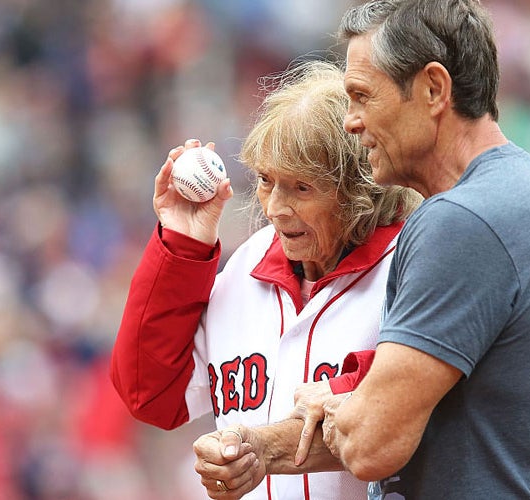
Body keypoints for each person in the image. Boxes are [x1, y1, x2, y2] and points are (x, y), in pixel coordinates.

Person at [201, 1, 530, 498]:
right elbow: (400, 416)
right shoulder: (513, 190)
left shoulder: (462, 220)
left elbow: (371, 444)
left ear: (433, 89)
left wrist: (344, 402)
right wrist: (261, 447)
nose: (352, 122)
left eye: (362, 96)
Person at [109, 59, 422, 500]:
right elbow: (151, 395)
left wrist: (261, 448)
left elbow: (393, 409)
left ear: (357, 189)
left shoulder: (412, 263)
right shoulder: (248, 264)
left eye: (301, 188)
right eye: (265, 180)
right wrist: (181, 247)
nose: (274, 207)